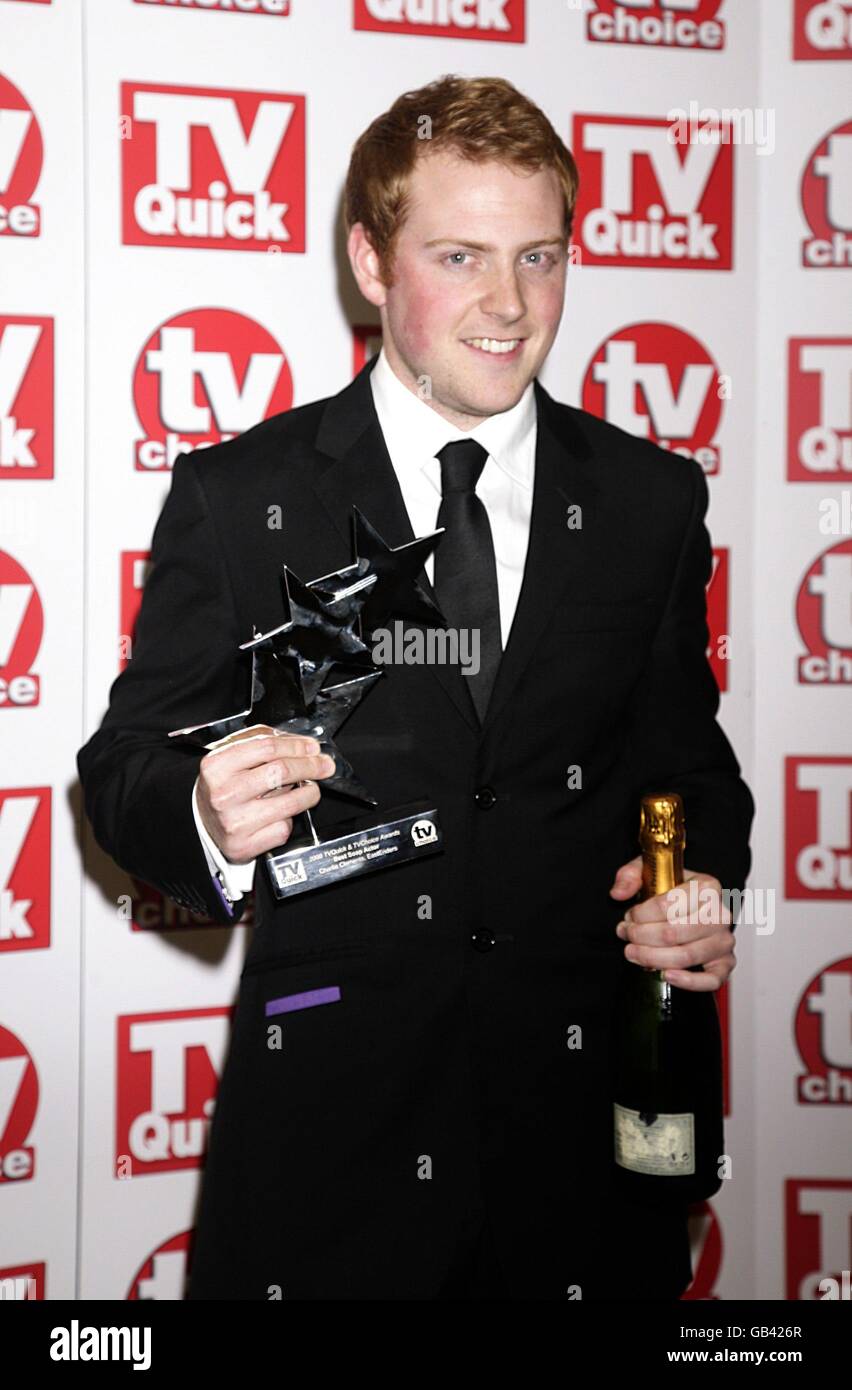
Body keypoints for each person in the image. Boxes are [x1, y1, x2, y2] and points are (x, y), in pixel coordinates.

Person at [77, 75, 754, 1301]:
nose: (511, 305)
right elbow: (123, 771)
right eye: (460, 257)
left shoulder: (649, 499)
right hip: (334, 1168)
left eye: (539, 256)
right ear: (371, 263)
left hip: (588, 1171)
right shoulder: (242, 494)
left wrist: (698, 884)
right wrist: (204, 815)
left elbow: (691, 773)